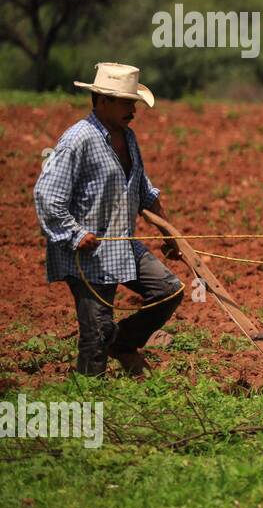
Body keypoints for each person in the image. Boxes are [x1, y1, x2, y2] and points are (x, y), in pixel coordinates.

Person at [33, 62, 184, 376]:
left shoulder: (127, 138)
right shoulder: (78, 140)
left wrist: (169, 233)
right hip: (87, 255)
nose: (134, 109)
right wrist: (76, 234)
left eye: (134, 103)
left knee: (169, 290)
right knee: (97, 333)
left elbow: (144, 190)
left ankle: (124, 343)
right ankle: (90, 399)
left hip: (121, 245)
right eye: (127, 102)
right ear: (103, 101)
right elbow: (47, 196)